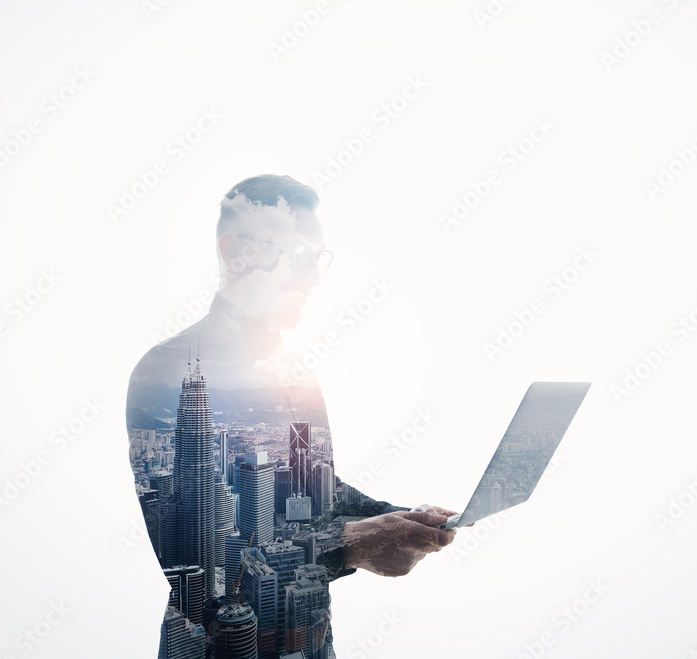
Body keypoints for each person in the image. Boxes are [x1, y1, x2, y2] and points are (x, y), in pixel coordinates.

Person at [127, 174, 457, 658]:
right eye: (300, 257)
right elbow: (192, 564)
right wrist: (348, 544)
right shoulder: (171, 369)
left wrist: (398, 518)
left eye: (318, 260)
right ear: (236, 253)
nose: (314, 278)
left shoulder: (292, 372)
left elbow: (316, 490)